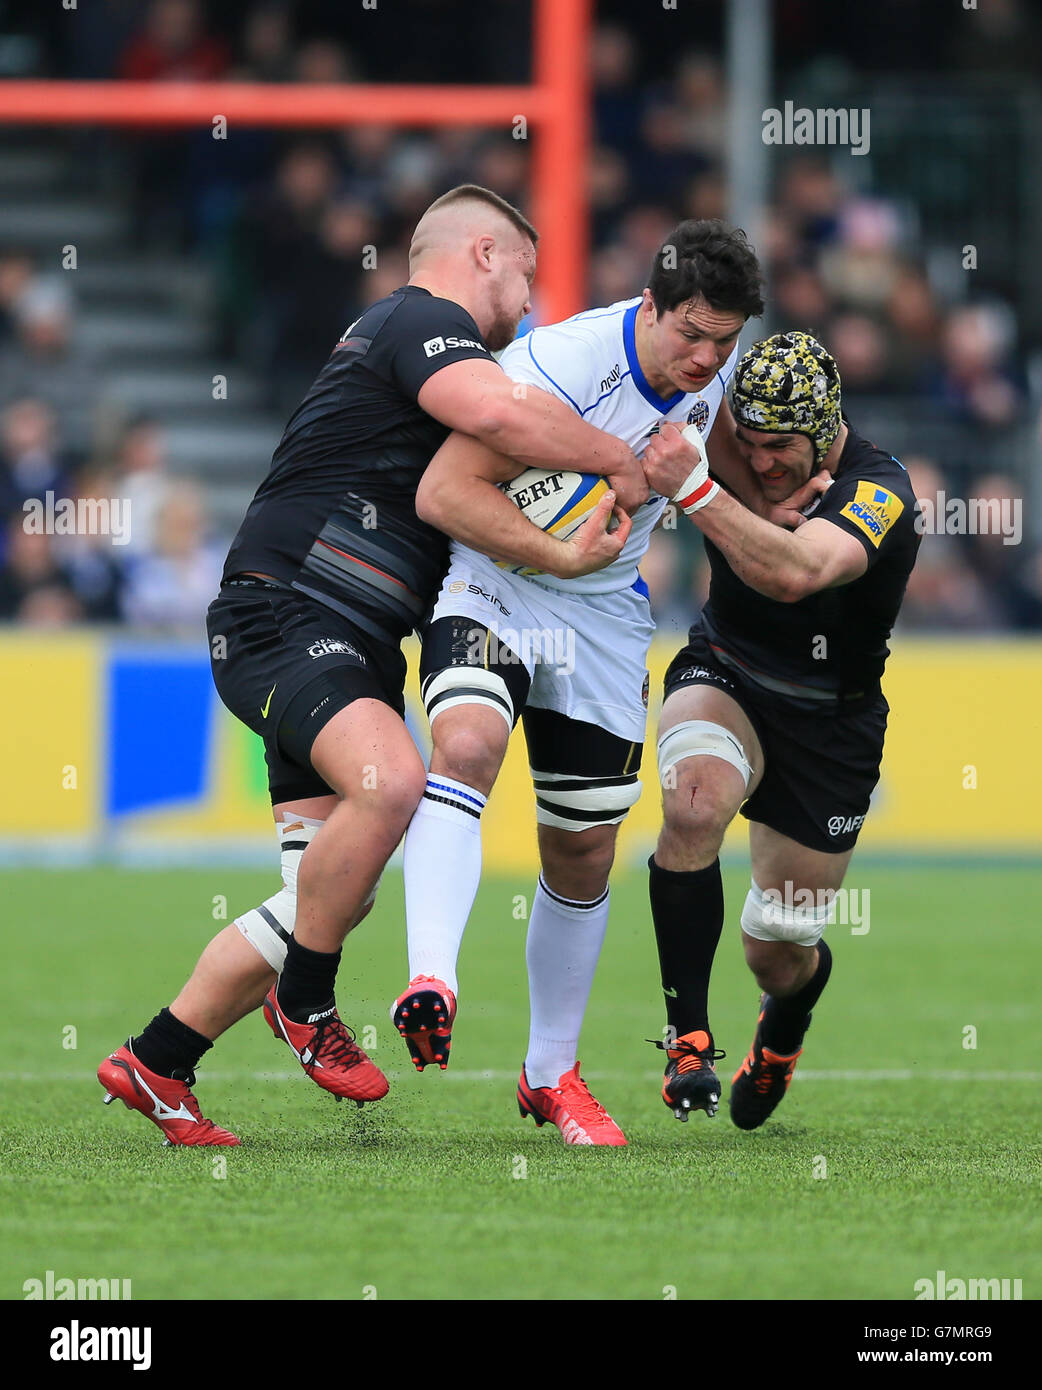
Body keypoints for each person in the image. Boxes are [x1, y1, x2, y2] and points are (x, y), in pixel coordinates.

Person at [97, 184, 646, 1146]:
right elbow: (502, 415)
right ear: (482, 254)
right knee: (394, 781)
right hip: (291, 611)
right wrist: (624, 460)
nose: (532, 296)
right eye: (525, 270)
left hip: (346, 639)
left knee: (322, 895)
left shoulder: (417, 340)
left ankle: (158, 1061)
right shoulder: (418, 320)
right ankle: (307, 1003)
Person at [392, 221, 813, 1145]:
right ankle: (432, 980)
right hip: (497, 582)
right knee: (467, 743)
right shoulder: (563, 367)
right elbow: (445, 493)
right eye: (691, 334)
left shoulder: (710, 384)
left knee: (582, 850)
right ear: (649, 306)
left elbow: (724, 469)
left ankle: (551, 1074)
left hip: (603, 616)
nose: (705, 359)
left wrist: (782, 503)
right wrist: (558, 552)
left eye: (724, 343)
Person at [639, 331, 920, 1128]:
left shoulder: (882, 489)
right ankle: (688, 1041)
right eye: (750, 443)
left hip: (831, 722)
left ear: (827, 429)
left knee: (778, 949)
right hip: (726, 671)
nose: (760, 461)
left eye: (780, 448)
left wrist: (700, 493)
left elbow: (797, 572)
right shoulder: (722, 440)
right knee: (693, 802)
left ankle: (785, 1024)